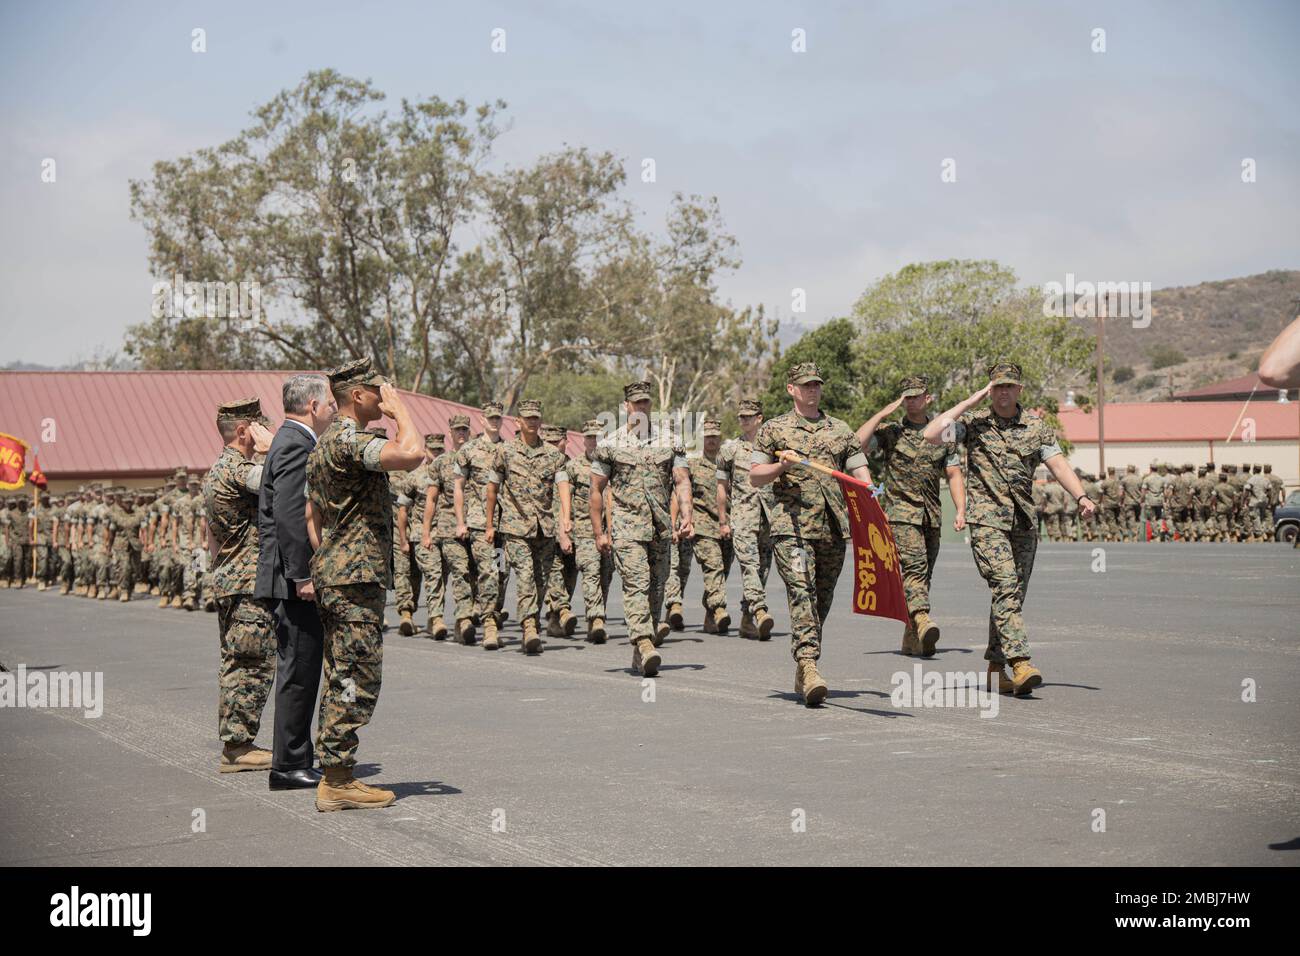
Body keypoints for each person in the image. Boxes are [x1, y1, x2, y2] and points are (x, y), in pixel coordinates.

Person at [924, 362, 1095, 696]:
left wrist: (1082, 495)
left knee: (1011, 596)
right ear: (990, 390)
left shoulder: (1036, 427)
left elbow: (1058, 464)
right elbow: (930, 434)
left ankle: (995, 667)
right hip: (986, 520)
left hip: (1023, 523)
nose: (1003, 392)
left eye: (1009, 387)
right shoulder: (973, 424)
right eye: (997, 387)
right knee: (1004, 585)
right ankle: (1020, 662)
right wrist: (969, 403)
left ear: (1019, 390)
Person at [306, 359, 423, 811]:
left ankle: (337, 773)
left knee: (342, 673)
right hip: (353, 579)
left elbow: (310, 515)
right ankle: (336, 780)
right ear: (357, 396)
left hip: (341, 573)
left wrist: (327, 558)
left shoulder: (323, 445)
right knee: (356, 675)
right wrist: (400, 412)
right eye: (377, 391)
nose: (383, 396)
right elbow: (412, 454)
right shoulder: (350, 440)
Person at [750, 362, 874, 707]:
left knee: (820, 599)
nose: (812, 390)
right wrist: (782, 466)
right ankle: (808, 664)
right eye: (805, 385)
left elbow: (859, 474)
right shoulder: (774, 430)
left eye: (816, 384)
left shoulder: (841, 430)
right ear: (791, 389)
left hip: (832, 529)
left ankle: (805, 666)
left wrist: (871, 492)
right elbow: (755, 476)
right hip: (792, 528)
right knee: (801, 593)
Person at [255, 373, 336, 791]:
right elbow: (290, 515)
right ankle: (288, 765)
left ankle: (296, 756)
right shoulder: (294, 443)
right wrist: (303, 574)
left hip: (289, 575)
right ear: (313, 407)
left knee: (301, 667)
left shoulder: (291, 439)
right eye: (329, 403)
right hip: (292, 579)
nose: (333, 409)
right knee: (299, 669)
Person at [590, 381, 693, 678]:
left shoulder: (670, 442)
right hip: (626, 528)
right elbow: (596, 490)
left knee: (656, 587)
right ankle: (645, 642)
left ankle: (640, 651)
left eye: (646, 403)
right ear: (626, 407)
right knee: (636, 583)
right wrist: (600, 532)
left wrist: (687, 514)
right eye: (636, 403)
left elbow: (682, 480)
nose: (642, 408)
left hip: (660, 528)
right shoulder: (609, 445)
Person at [856, 375, 964, 657]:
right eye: (907, 397)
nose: (911, 401)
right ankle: (924, 618)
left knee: (922, 576)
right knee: (914, 569)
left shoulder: (943, 432)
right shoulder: (892, 432)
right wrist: (881, 413)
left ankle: (911, 636)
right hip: (901, 514)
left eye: (917, 396)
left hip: (931, 515)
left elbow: (953, 473)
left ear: (928, 398)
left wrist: (961, 508)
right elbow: (858, 444)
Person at [203, 397, 277, 773]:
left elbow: (211, 537)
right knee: (250, 662)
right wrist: (271, 448)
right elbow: (277, 481)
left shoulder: (216, 469)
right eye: (259, 426)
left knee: (238, 660)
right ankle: (238, 747)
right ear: (245, 430)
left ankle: (238, 742)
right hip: (247, 580)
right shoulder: (236, 469)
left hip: (232, 576)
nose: (265, 430)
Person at [483, 400, 572, 654]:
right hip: (515, 527)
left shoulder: (554, 455)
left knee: (542, 580)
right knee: (525, 576)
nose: (532, 422)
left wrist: (565, 516)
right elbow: (492, 489)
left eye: (536, 418)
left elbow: (563, 485)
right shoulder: (505, 452)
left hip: (544, 527)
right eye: (527, 418)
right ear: (518, 422)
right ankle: (529, 626)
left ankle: (533, 618)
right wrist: (490, 524)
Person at [665, 418, 731, 634]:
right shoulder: (692, 466)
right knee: (705, 567)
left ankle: (710, 616)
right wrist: (675, 524)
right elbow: (679, 494)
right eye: (708, 436)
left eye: (714, 436)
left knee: (722, 572)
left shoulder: (728, 464)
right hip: (700, 526)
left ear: (719, 438)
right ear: (702, 438)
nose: (711, 440)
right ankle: (716, 608)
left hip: (725, 526)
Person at [717, 399, 776, 640]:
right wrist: (723, 520)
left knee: (762, 568)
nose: (744, 420)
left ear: (759, 418)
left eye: (749, 416)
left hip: (768, 517)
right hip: (742, 516)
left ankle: (746, 619)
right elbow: (721, 487)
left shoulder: (774, 449)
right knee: (749, 565)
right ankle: (760, 610)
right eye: (741, 416)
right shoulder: (729, 450)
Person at [454, 402, 507, 648]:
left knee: (501, 574)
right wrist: (461, 521)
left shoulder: (509, 450)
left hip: (506, 525)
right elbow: (458, 487)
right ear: (483, 420)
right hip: (478, 524)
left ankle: (488, 611)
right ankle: (489, 625)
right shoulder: (469, 450)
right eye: (491, 418)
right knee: (489, 571)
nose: (495, 421)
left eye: (498, 417)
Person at [425, 415, 474, 642]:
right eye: (457, 430)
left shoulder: (479, 458)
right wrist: (426, 532)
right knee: (459, 571)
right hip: (448, 528)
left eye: (465, 429)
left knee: (481, 574)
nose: (461, 433)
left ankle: (469, 617)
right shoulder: (441, 463)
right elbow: (431, 500)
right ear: (451, 433)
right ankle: (461, 619)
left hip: (478, 526)